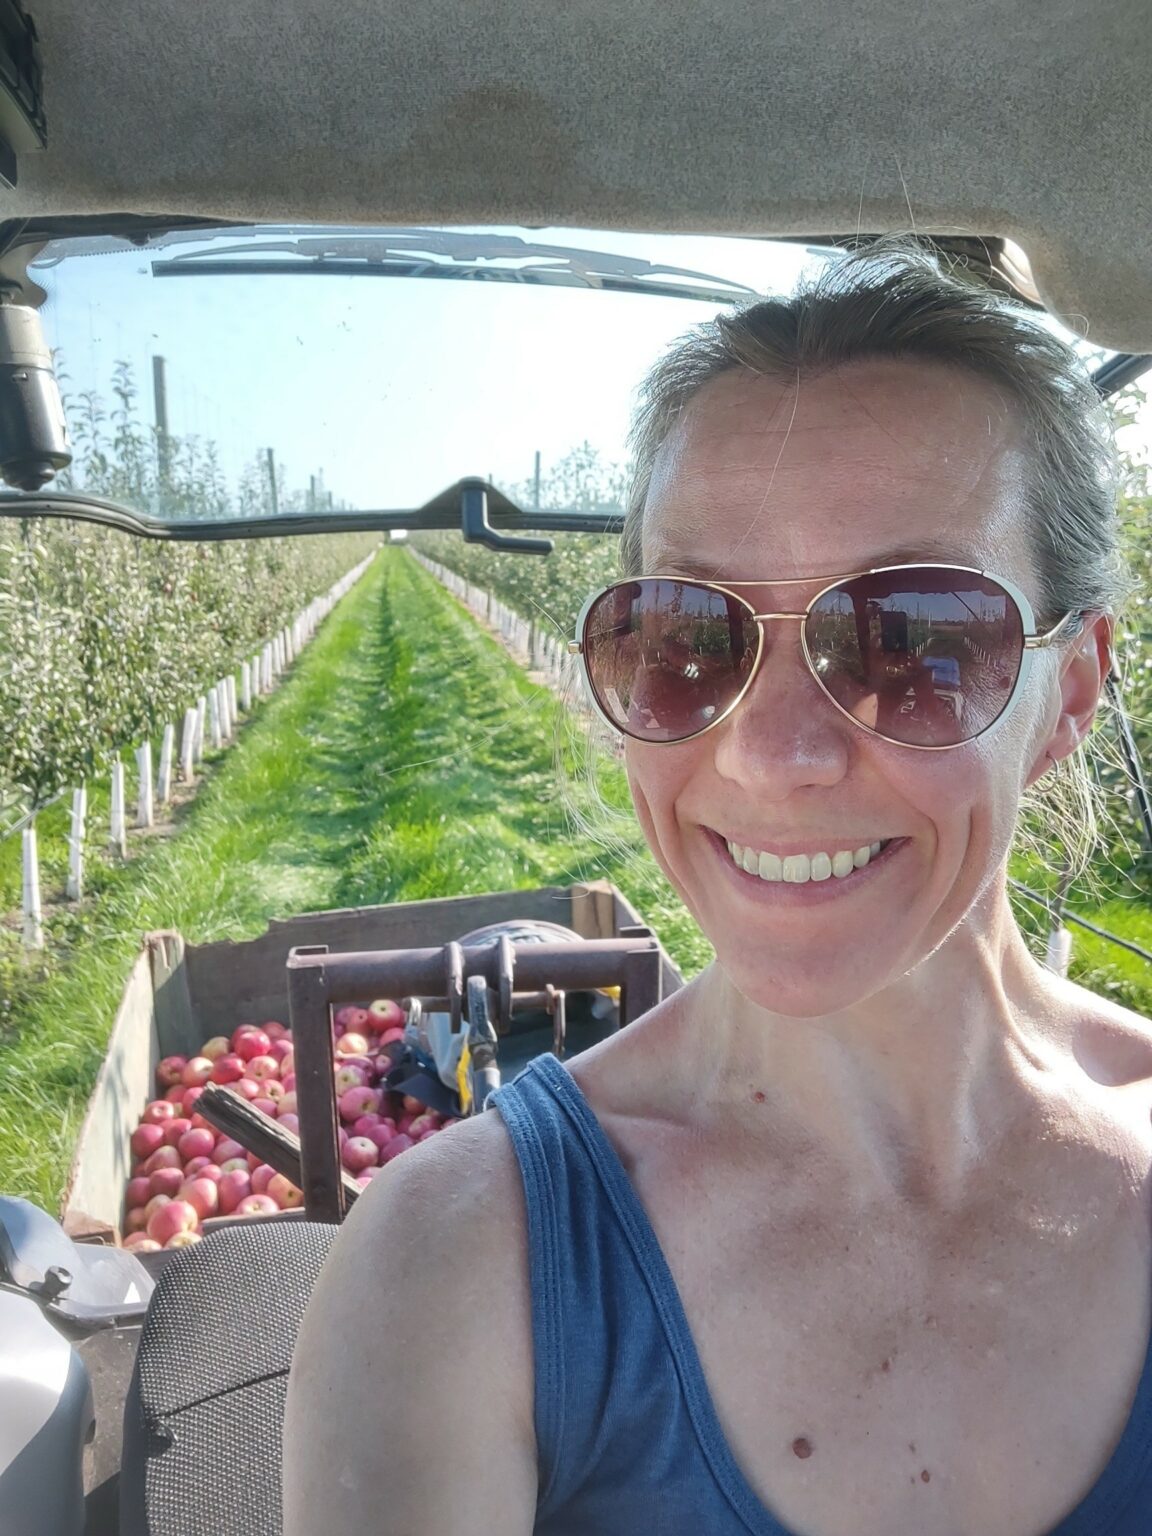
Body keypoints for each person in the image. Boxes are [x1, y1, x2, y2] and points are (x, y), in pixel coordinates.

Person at [283, 245, 1152, 1535]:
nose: (776, 754)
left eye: (910, 638)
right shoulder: (456, 1267)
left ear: (1070, 691)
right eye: (690, 639)